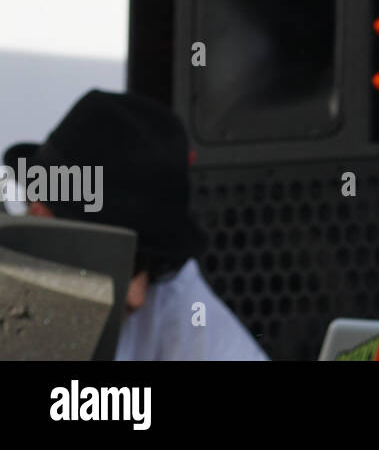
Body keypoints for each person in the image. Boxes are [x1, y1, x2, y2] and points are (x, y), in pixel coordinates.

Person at [5, 89, 268, 361]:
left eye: (152, 267)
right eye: (117, 262)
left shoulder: (171, 293)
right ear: (42, 219)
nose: (137, 297)